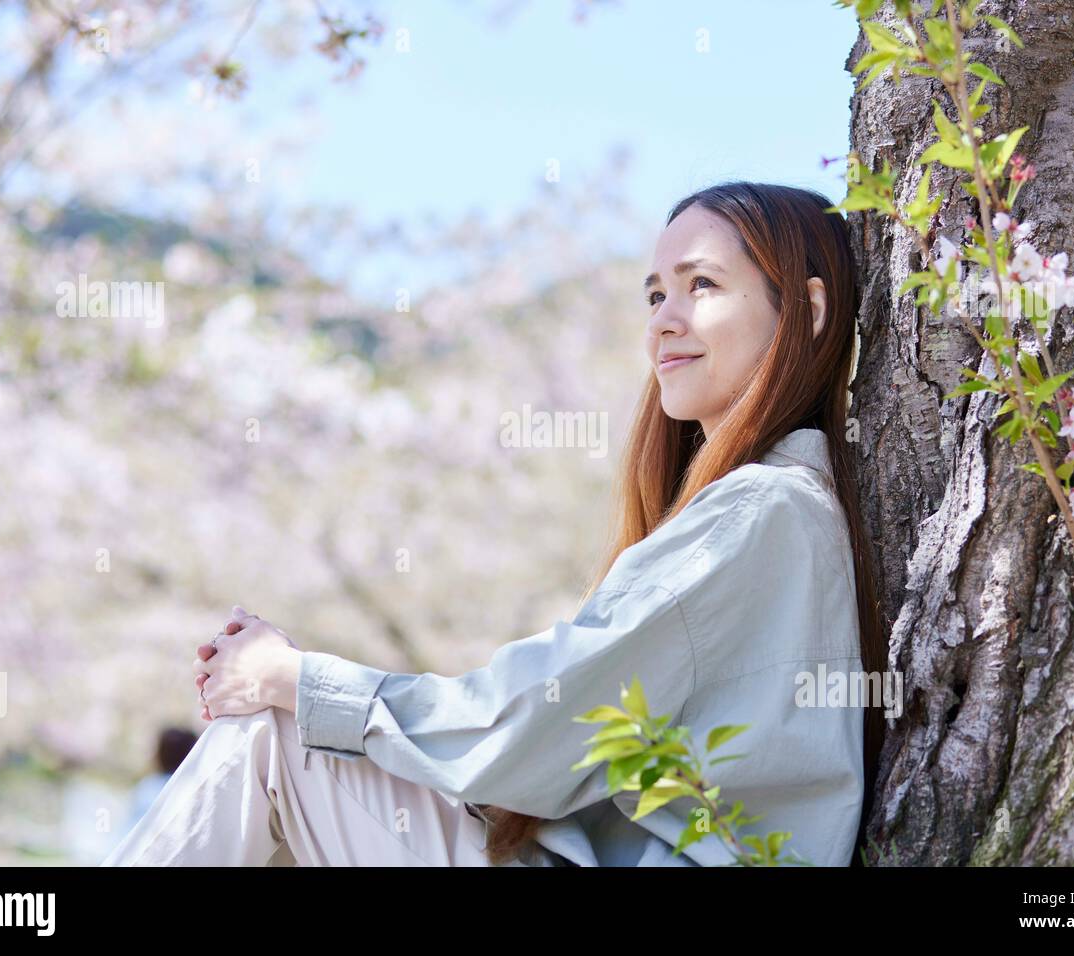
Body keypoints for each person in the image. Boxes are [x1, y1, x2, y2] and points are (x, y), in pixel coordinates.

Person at [101, 181, 886, 868]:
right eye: (655, 296)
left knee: (273, 737)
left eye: (702, 286)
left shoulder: (757, 513)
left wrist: (299, 680)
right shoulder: (788, 513)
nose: (663, 325)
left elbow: (532, 721)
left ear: (809, 311)